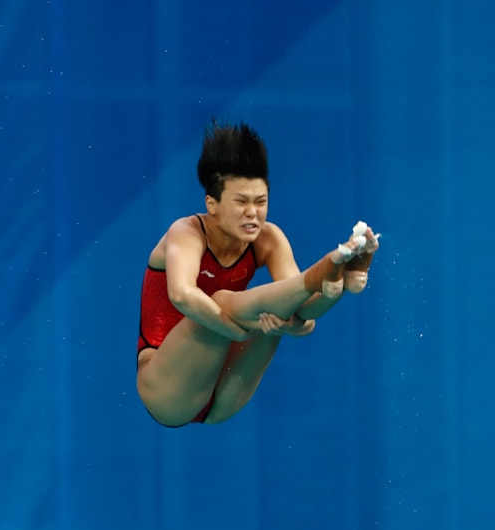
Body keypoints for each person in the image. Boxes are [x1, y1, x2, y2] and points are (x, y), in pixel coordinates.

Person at [135, 121, 379, 426]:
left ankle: (339, 278)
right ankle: (325, 269)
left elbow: (306, 315)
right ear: (212, 204)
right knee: (225, 300)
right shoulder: (186, 232)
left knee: (280, 311)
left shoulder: (269, 238)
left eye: (261, 202)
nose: (253, 212)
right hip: (167, 391)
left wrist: (320, 302)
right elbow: (182, 294)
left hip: (223, 398)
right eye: (241, 202)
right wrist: (240, 329)